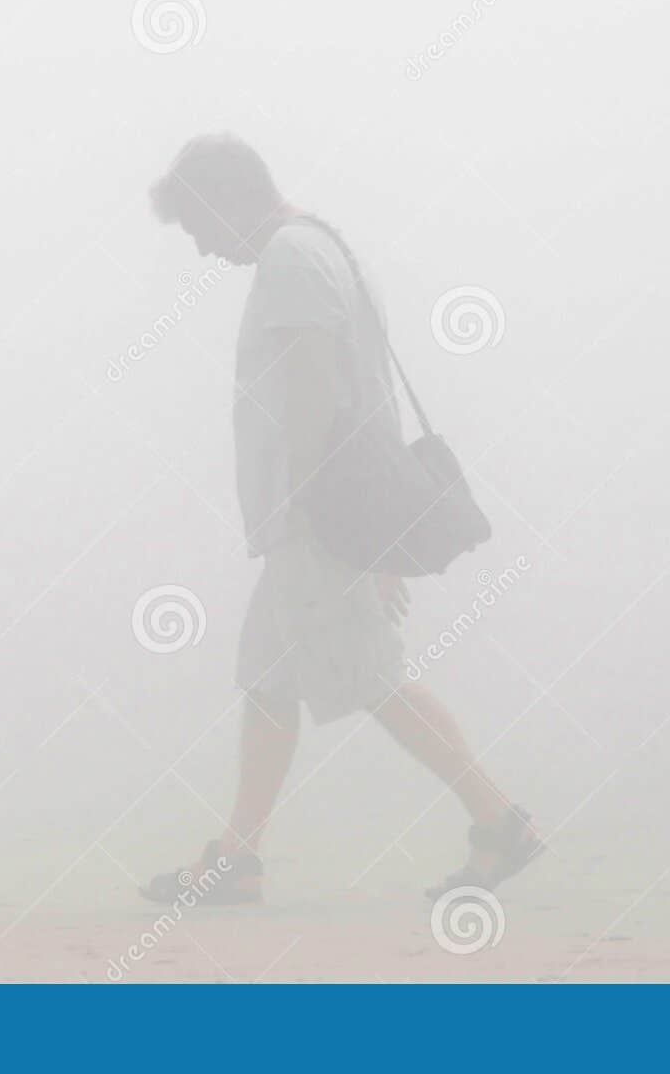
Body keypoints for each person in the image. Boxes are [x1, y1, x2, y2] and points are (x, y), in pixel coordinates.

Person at [140, 134, 539, 904]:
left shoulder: (290, 260)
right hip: (321, 517)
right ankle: (238, 857)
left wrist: (335, 527)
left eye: (198, 226)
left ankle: (500, 820)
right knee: (268, 675)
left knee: (372, 677)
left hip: (314, 521)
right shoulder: (324, 248)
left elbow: (317, 399)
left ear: (228, 202)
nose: (200, 248)